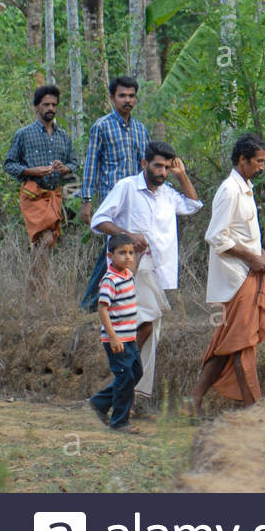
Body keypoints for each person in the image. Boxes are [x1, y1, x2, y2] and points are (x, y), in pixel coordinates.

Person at [90, 141, 202, 400]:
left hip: (158, 272)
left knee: (150, 330)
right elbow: (99, 221)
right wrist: (127, 235)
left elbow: (194, 205)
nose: (162, 172)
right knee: (141, 328)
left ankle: (132, 396)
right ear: (144, 164)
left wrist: (181, 174)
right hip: (130, 272)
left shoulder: (168, 193)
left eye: (166, 167)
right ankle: (116, 393)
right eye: (158, 166)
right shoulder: (127, 187)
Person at [188, 134, 265, 415]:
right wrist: (252, 258)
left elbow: (242, 235)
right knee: (241, 345)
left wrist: (261, 255)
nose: (262, 167)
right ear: (242, 160)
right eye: (258, 161)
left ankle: (194, 401)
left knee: (228, 343)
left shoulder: (245, 188)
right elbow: (215, 236)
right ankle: (253, 412)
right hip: (237, 279)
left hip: (247, 274)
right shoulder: (230, 190)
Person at [79, 76, 150, 311]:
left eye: (131, 96)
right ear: (112, 98)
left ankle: (119, 300)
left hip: (136, 200)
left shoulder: (141, 129)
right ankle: (90, 302)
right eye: (122, 95)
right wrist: (87, 200)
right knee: (114, 247)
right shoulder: (101, 126)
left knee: (124, 250)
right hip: (112, 201)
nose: (127, 100)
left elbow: (146, 166)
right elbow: (91, 164)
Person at [3, 85, 77, 290]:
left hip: (55, 195)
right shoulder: (23, 134)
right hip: (33, 194)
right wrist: (32, 171)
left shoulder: (63, 136)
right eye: (46, 104)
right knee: (43, 239)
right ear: (37, 107)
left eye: (54, 104)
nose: (50, 108)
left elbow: (74, 162)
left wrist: (65, 168)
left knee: (46, 241)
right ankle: (42, 287)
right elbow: (9, 164)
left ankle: (34, 288)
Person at [88, 233, 143, 433]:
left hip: (129, 337)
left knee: (134, 374)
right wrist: (113, 337)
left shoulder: (127, 274)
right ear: (110, 256)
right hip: (117, 338)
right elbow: (102, 309)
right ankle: (119, 422)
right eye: (122, 253)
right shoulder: (110, 280)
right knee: (124, 376)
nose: (128, 257)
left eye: (131, 253)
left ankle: (98, 404)